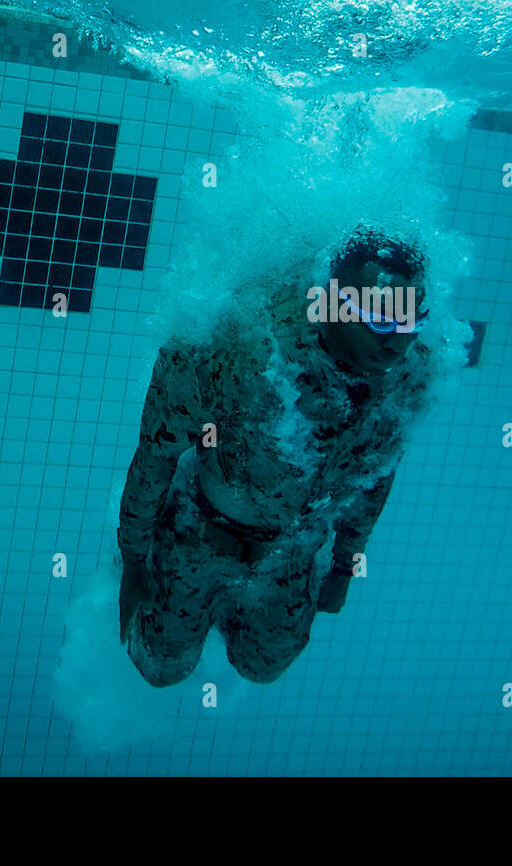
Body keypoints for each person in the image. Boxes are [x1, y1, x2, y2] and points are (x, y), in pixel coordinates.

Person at [117, 225, 435, 686]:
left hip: (293, 547)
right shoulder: (235, 355)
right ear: (330, 301)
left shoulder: (407, 380)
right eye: (383, 321)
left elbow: (374, 476)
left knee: (262, 668)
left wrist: (344, 565)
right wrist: (132, 558)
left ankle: (229, 616)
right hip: (200, 527)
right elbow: (155, 455)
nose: (398, 344)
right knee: (160, 666)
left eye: (413, 321)